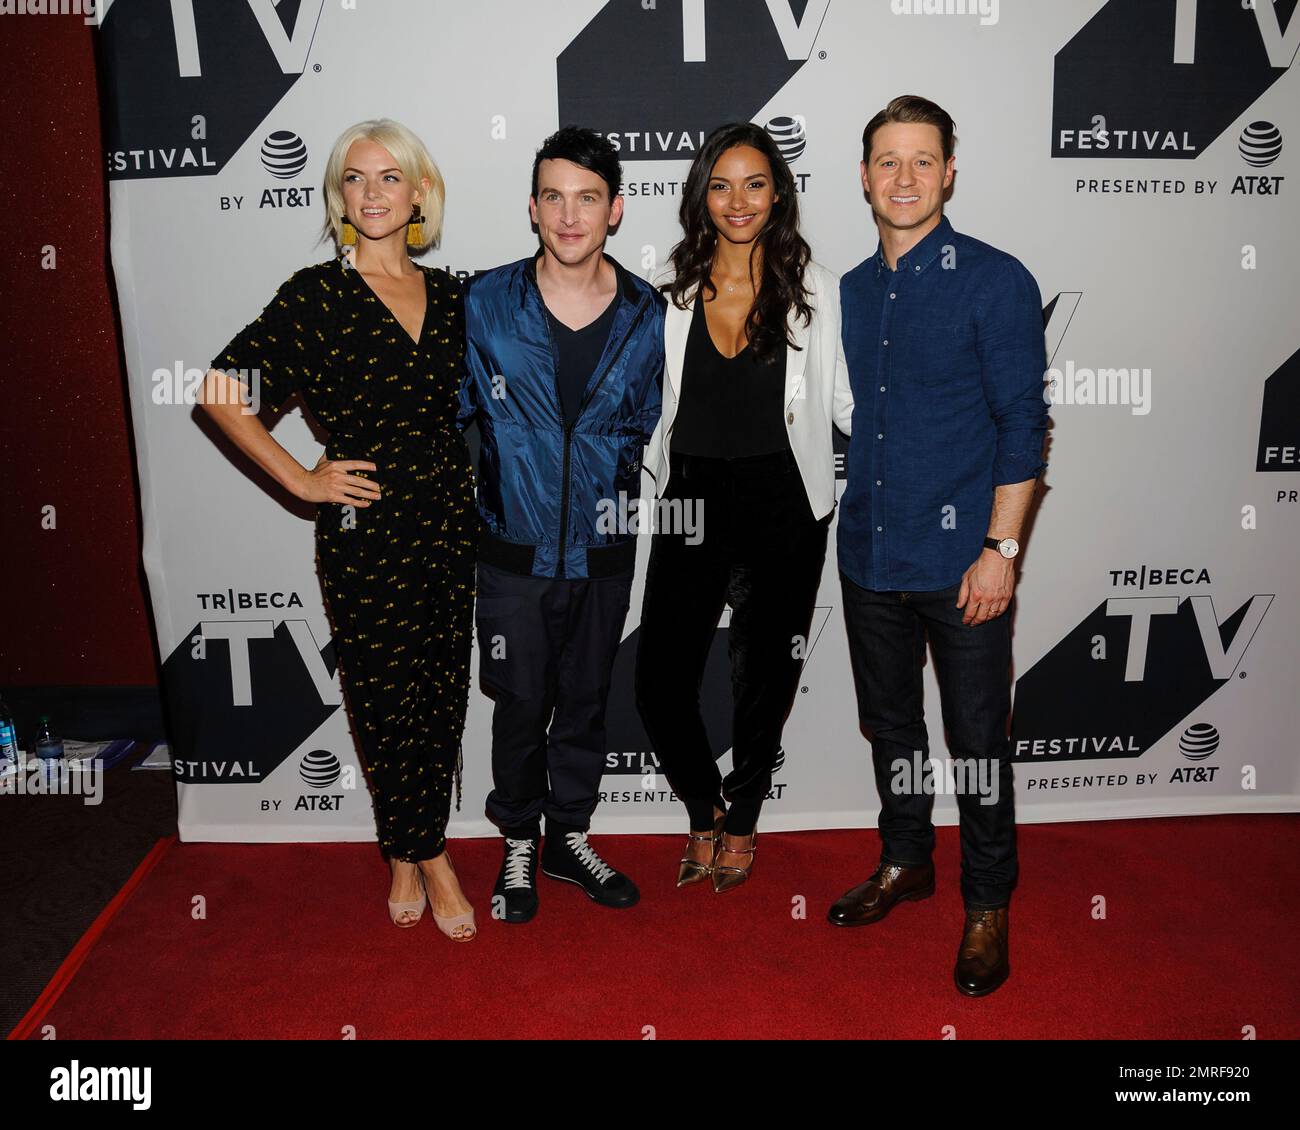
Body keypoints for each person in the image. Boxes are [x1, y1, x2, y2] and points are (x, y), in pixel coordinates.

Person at [199, 119, 478, 941]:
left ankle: (403, 843)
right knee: (384, 696)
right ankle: (426, 857)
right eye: (355, 180)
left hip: (449, 519)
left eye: (390, 177)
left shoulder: (456, 294)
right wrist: (304, 479)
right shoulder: (315, 296)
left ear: (420, 192)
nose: (373, 193)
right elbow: (220, 391)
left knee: (441, 692)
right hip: (367, 526)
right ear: (339, 197)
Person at [828, 95, 1048, 995]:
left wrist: (1002, 549)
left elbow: (1024, 424)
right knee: (891, 728)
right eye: (888, 161)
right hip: (871, 556)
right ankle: (907, 860)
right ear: (864, 175)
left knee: (976, 741)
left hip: (966, 569)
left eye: (923, 160)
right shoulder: (848, 287)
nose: (905, 178)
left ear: (949, 171)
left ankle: (988, 902)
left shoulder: (996, 280)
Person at [635, 122, 853, 893]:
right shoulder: (666, 286)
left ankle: (746, 816)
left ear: (779, 193)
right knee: (659, 680)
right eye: (721, 185)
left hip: (784, 500)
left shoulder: (822, 288)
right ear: (701, 195)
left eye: (755, 183)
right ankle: (704, 808)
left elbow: (854, 405)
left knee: (765, 676)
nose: (738, 201)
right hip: (687, 496)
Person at [459, 126, 666, 923]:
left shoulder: (650, 315)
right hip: (511, 556)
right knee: (519, 701)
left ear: (615, 211)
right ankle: (517, 841)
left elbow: (656, 429)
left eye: (587, 199)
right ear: (534, 208)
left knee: (585, 699)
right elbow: (446, 419)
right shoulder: (484, 302)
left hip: (606, 553)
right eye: (554, 198)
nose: (569, 216)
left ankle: (567, 836)